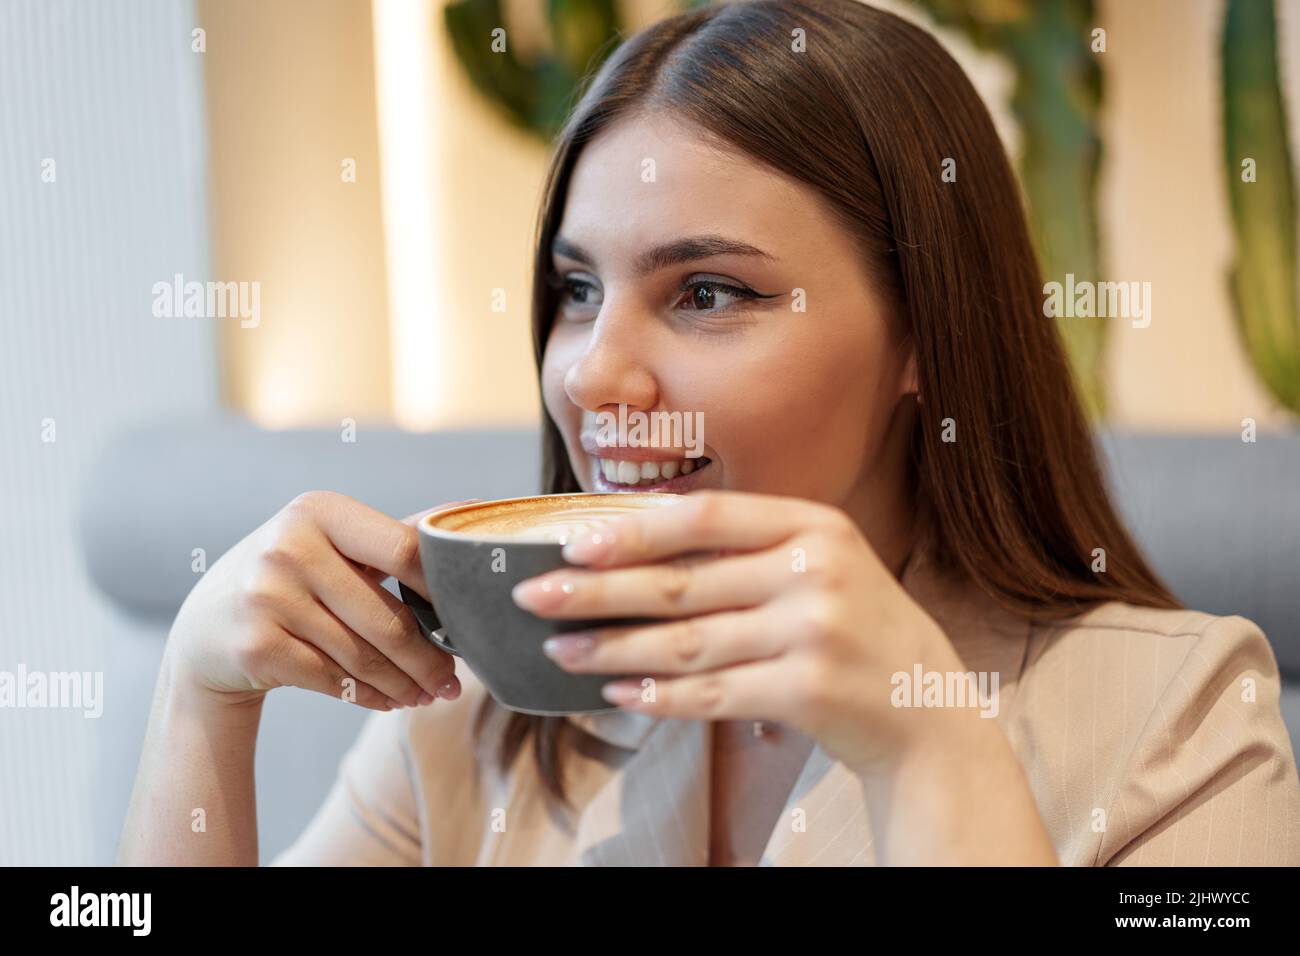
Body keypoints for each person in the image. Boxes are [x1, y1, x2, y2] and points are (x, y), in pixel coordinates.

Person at [119, 0, 1300, 866]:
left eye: (707, 293)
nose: (593, 373)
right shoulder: (480, 730)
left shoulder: (1178, 717)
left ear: (923, 336)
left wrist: (930, 749)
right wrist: (199, 699)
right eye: (576, 290)